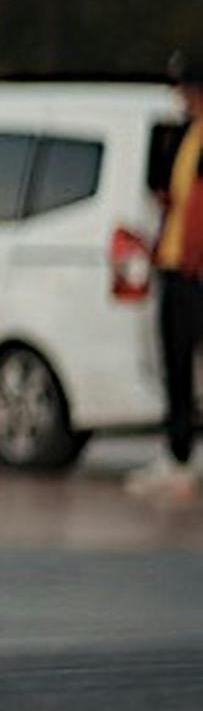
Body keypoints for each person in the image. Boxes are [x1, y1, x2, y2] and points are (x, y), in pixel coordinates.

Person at [126, 50, 203, 504]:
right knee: (174, 362)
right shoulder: (186, 135)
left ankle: (181, 456)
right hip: (175, 264)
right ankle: (177, 455)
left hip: (194, 267)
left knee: (187, 362)